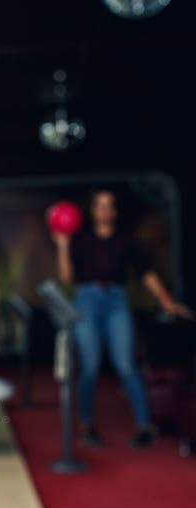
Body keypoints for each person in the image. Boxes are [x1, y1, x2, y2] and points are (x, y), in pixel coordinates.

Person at [52, 188, 193, 448]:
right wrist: (62, 245)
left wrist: (165, 299)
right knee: (90, 366)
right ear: (92, 211)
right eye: (100, 205)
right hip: (86, 300)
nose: (106, 210)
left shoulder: (125, 240)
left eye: (110, 206)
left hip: (117, 300)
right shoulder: (80, 240)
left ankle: (144, 425)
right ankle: (86, 425)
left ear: (115, 212)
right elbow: (66, 278)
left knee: (126, 365)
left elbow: (146, 273)